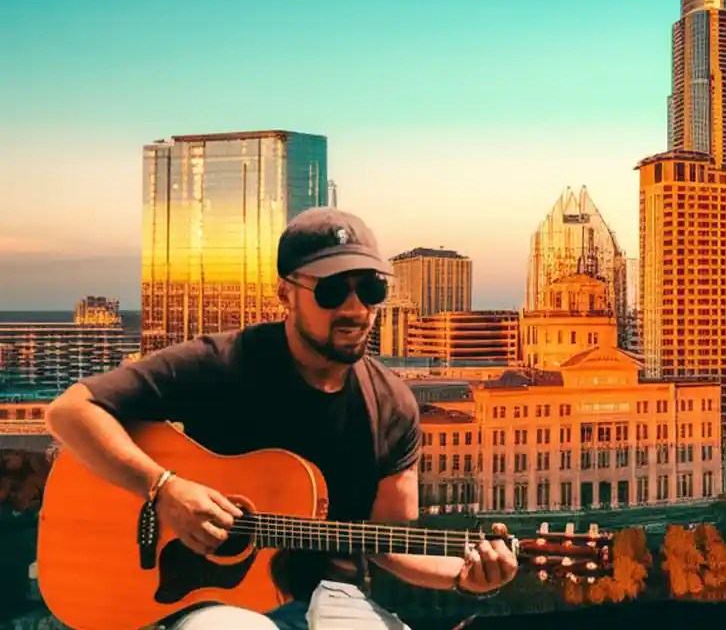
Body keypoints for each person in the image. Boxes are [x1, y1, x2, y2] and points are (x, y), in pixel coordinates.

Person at [45, 207, 518, 629]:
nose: (356, 309)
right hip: (209, 604)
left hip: (333, 601)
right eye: (332, 291)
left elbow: (389, 540)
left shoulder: (392, 405)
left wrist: (467, 578)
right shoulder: (223, 364)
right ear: (286, 294)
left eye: (371, 289)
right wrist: (164, 489)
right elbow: (71, 412)